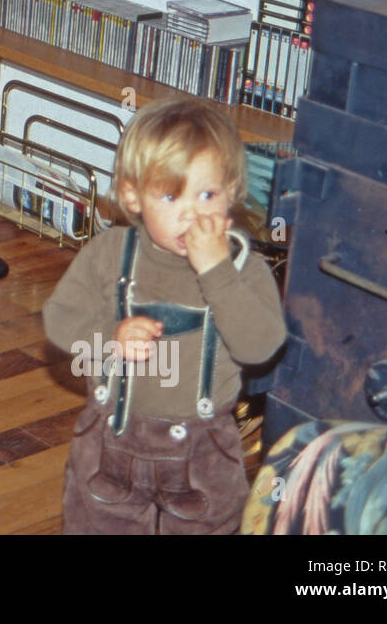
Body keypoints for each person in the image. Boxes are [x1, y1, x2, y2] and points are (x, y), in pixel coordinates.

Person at [42, 95, 285, 533]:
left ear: (231, 191)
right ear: (133, 196)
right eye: (171, 196)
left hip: (204, 450)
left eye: (207, 194)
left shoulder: (245, 267)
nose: (191, 213)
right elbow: (59, 320)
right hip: (110, 439)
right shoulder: (109, 253)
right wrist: (107, 337)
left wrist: (217, 272)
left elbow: (261, 347)